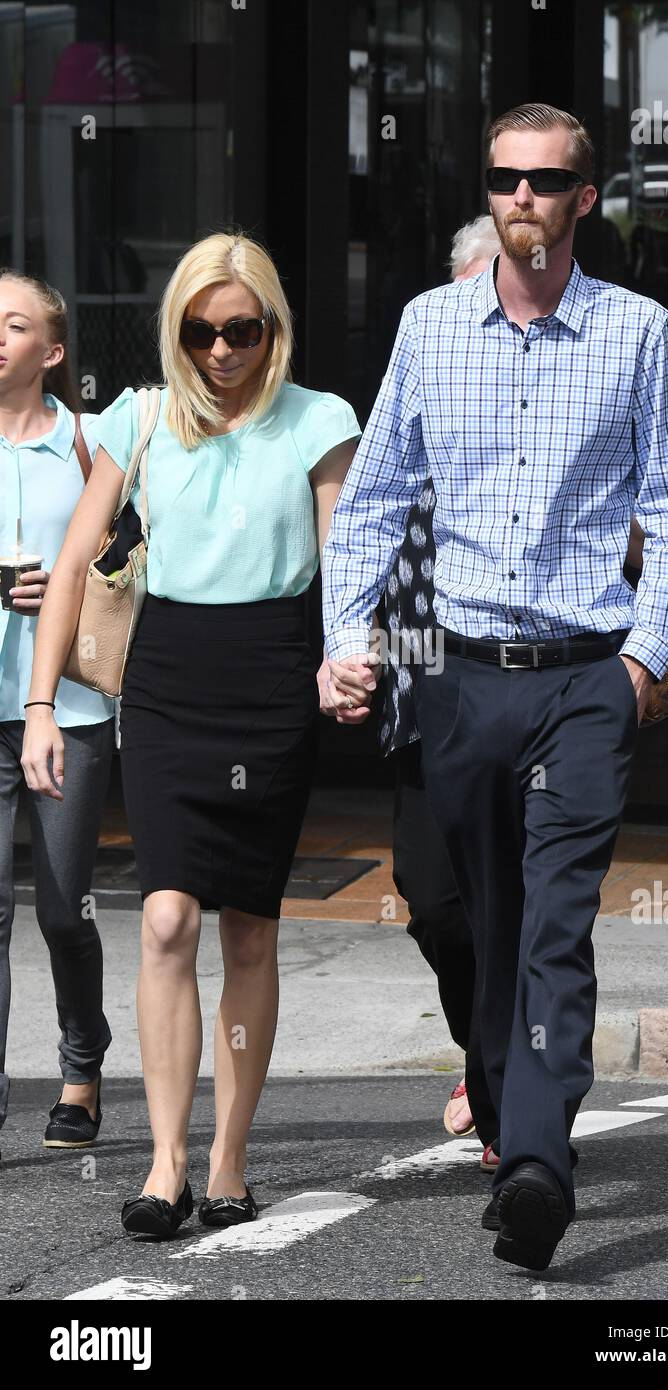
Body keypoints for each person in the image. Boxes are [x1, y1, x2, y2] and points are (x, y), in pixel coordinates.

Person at [320, 103, 668, 1272]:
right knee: (468, 915)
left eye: (548, 182)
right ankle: (501, 1095)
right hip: (460, 676)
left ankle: (538, 1160)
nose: (525, 198)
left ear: (586, 198)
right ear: (487, 192)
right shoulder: (430, 327)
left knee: (553, 918)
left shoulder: (640, 332)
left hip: (588, 673)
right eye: (505, 179)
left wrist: (645, 653)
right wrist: (349, 634)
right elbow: (377, 495)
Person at [22, 232, 361, 1237]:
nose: (221, 349)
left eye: (241, 329)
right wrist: (43, 705)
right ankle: (166, 1162)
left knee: (249, 925)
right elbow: (76, 562)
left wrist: (347, 656)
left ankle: (230, 1158)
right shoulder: (139, 416)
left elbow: (346, 563)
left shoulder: (320, 420)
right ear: (179, 330)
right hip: (166, 683)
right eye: (201, 330)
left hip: (268, 680)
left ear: (273, 329)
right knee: (166, 916)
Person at [324, 214, 648, 1168]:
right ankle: (490, 1042)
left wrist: (647, 631)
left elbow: (648, 514)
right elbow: (366, 513)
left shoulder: (585, 381)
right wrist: (350, 649)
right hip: (437, 687)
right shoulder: (426, 364)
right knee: (438, 899)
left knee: (545, 907)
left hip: (550, 674)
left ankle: (520, 1119)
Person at [0, 270, 114, 1156]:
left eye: (13, 324)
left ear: (53, 349)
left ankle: (81, 1069)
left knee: (63, 911)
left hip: (68, 710)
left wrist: (67, 594)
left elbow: (125, 558)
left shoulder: (87, 441)